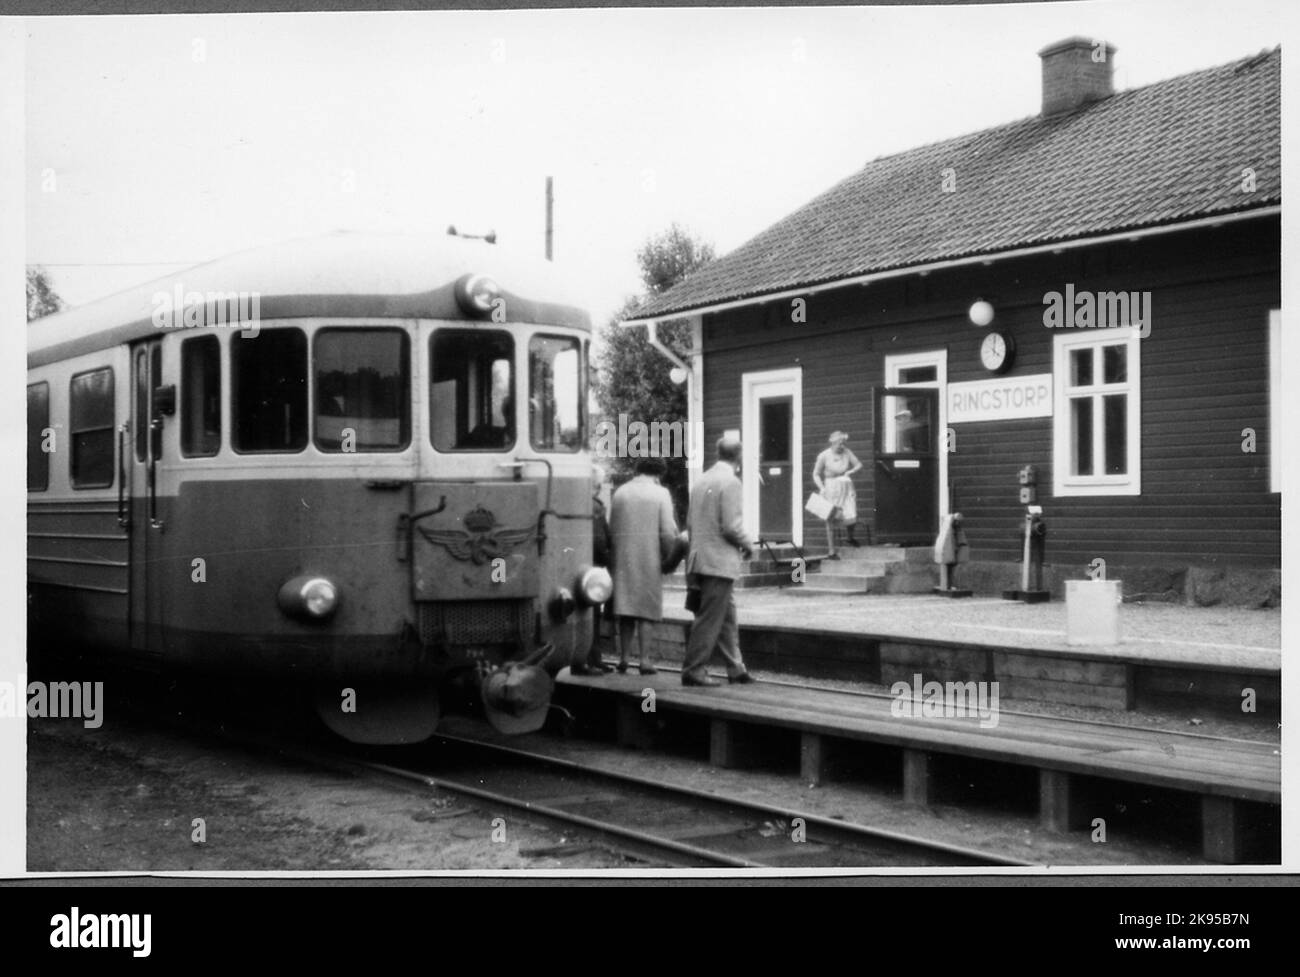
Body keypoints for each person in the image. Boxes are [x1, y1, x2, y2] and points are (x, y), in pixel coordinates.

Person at [681, 437, 756, 687]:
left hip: (700, 558)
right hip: (719, 562)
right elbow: (731, 527)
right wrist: (748, 545)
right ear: (739, 456)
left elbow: (691, 524)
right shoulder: (731, 482)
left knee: (726, 617)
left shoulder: (701, 480)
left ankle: (736, 668)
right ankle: (693, 670)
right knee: (710, 618)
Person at [609, 456, 679, 675]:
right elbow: (667, 531)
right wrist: (670, 558)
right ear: (658, 473)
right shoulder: (661, 494)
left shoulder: (620, 493)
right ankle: (645, 660)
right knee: (646, 610)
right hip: (649, 558)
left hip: (623, 559)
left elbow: (612, 528)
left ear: (637, 470)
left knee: (626, 608)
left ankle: (623, 658)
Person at [812, 431, 863, 558]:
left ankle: (850, 538)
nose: (842, 446)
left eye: (843, 443)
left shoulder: (847, 451)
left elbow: (859, 464)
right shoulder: (824, 455)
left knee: (851, 513)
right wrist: (822, 488)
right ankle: (831, 551)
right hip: (831, 487)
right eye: (840, 444)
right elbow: (816, 474)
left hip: (846, 485)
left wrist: (850, 471)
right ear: (833, 443)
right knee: (831, 518)